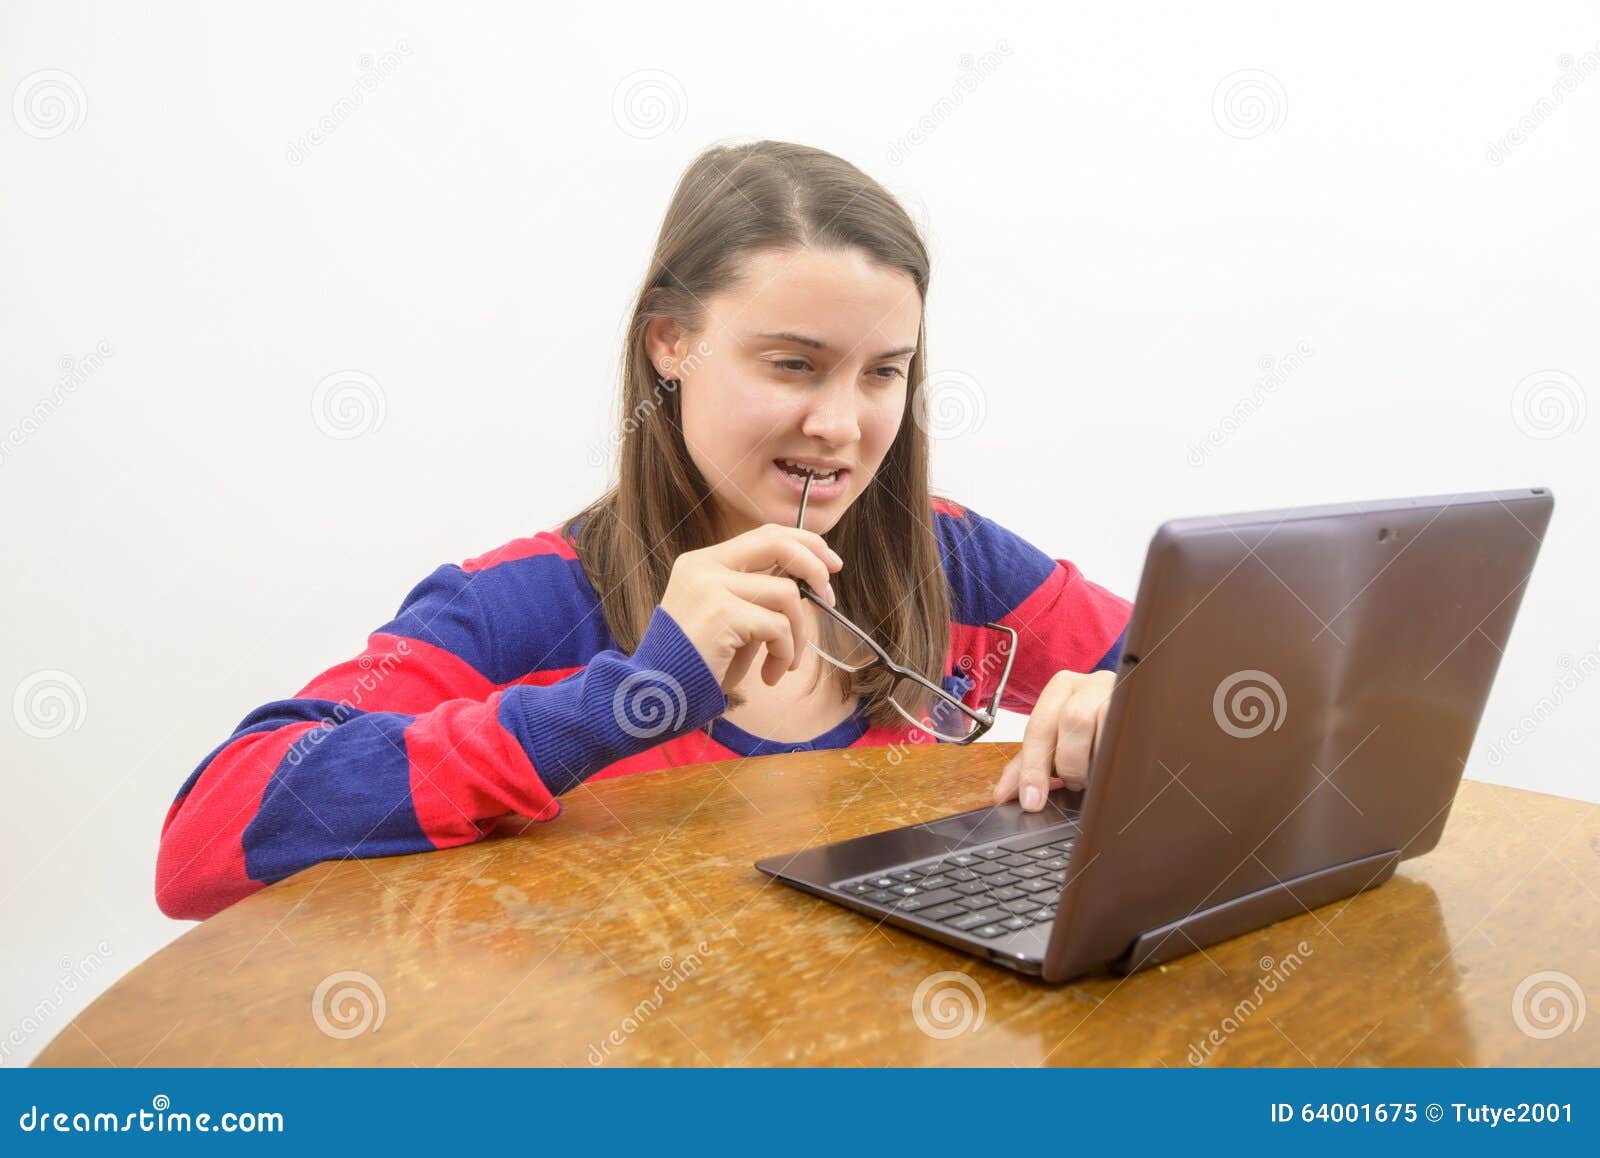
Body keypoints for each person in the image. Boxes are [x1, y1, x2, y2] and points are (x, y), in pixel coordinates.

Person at [154, 140, 1132, 921]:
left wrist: (1128, 704)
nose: (841, 425)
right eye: (794, 364)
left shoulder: (951, 559)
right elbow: (205, 843)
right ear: (671, 341)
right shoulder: (523, 605)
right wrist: (619, 702)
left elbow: (1239, 689)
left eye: (882, 372)